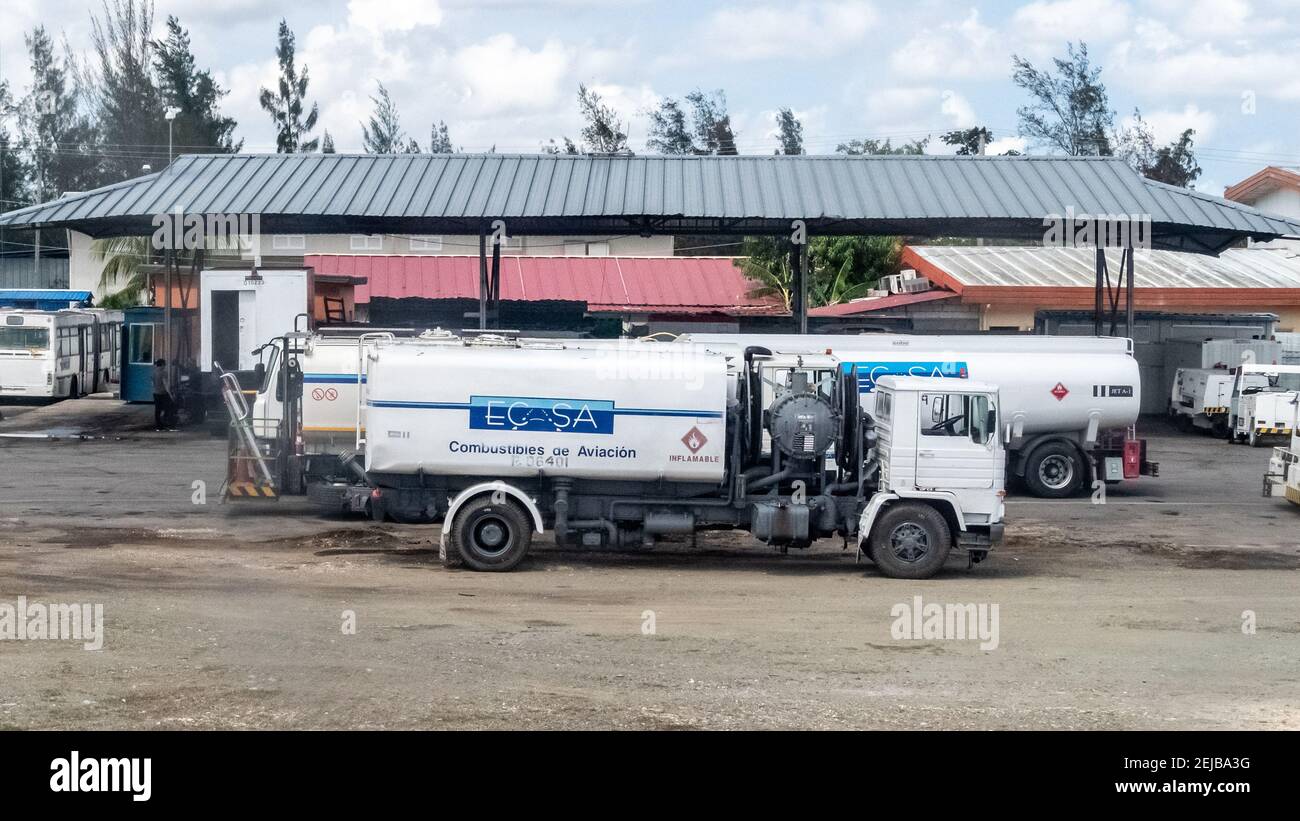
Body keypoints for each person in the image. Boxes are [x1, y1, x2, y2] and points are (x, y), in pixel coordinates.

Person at [153, 358, 173, 430]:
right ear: (161, 365)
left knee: (157, 409)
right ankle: (165, 421)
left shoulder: (154, 372)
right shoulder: (163, 373)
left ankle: (158, 424)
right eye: (164, 364)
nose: (165, 366)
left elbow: (152, 383)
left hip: (155, 393)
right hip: (163, 393)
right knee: (168, 407)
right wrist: (170, 394)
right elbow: (165, 384)